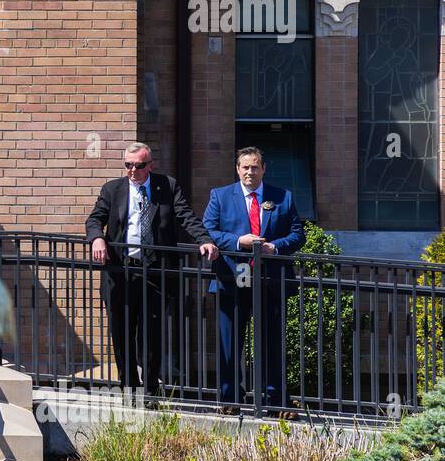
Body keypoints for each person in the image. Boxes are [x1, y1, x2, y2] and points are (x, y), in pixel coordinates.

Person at [85, 142, 218, 399]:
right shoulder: (112, 189)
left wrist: (204, 239)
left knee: (152, 333)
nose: (132, 170)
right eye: (128, 165)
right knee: (122, 332)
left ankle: (150, 390)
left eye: (138, 166)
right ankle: (129, 387)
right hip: (121, 272)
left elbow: (185, 215)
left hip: (155, 272)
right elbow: (95, 219)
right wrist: (97, 238)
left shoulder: (166, 186)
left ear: (150, 165)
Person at [203, 146, 304, 413]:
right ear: (237, 169)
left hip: (270, 280)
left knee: (272, 343)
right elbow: (209, 230)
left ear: (263, 169)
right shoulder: (220, 196)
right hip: (233, 278)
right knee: (229, 342)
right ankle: (230, 399)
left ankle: (276, 401)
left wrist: (275, 247)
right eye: (245, 167)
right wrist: (239, 241)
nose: (250, 172)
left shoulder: (283, 197)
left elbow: (298, 234)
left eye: (255, 167)